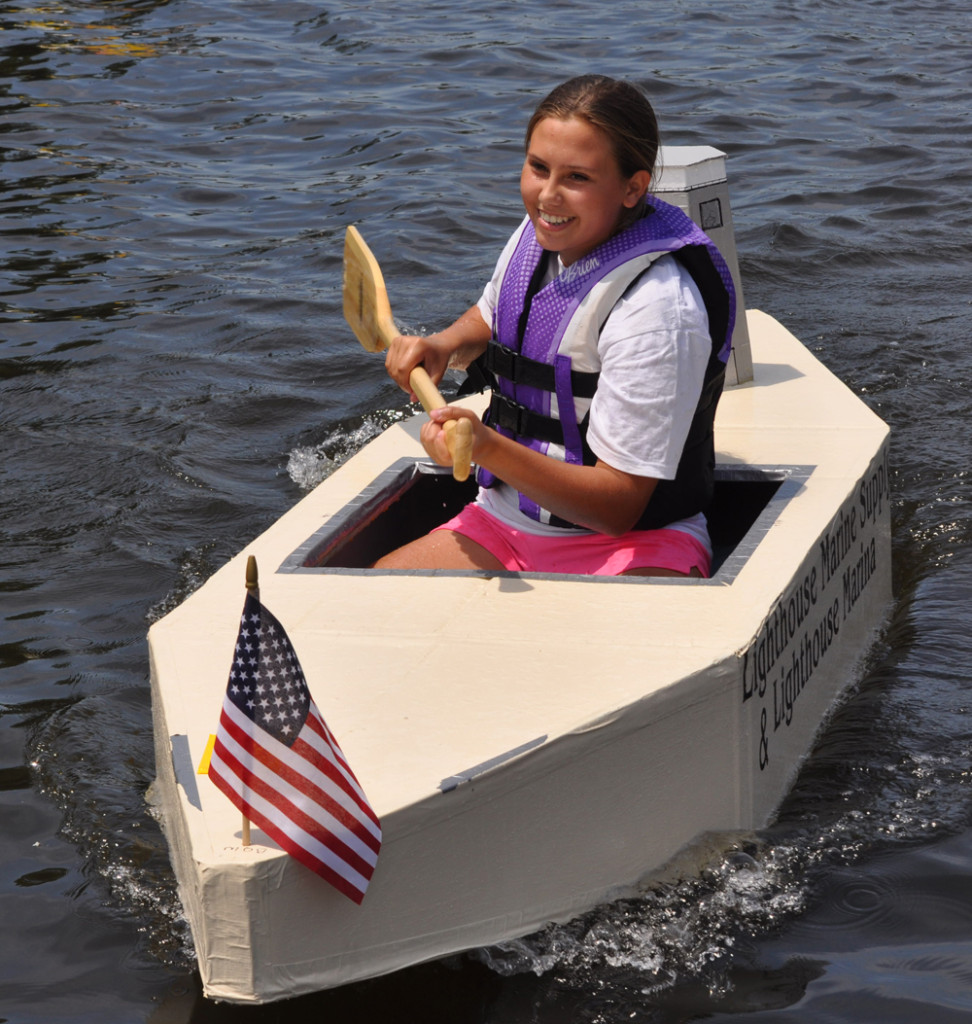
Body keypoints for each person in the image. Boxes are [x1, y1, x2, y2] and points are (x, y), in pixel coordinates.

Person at [375, 74, 735, 577]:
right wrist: (444, 346)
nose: (547, 196)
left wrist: (484, 447)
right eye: (537, 167)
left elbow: (618, 507)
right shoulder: (539, 235)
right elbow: (493, 314)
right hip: (503, 524)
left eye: (577, 178)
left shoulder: (659, 311)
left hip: (638, 543)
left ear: (633, 188)